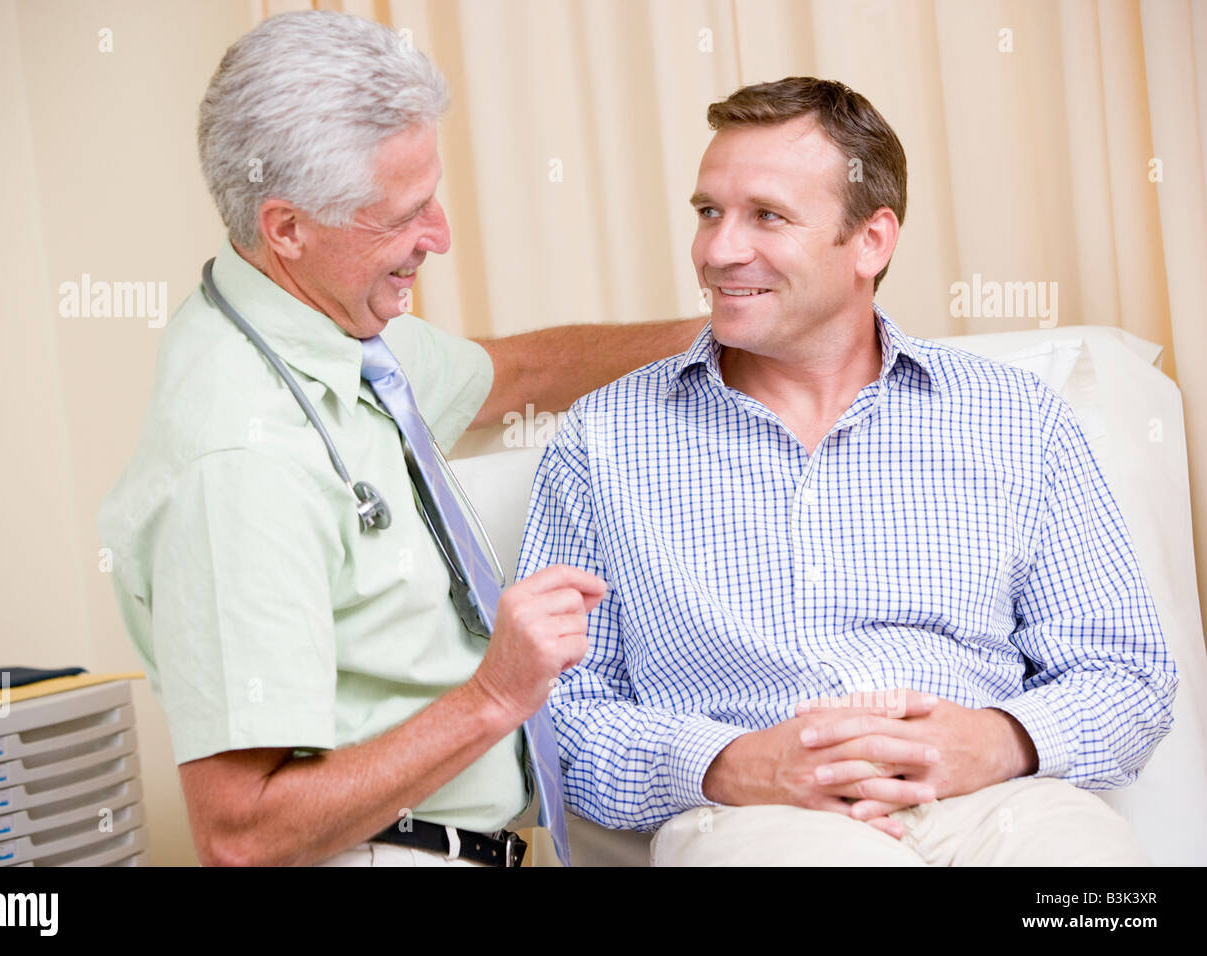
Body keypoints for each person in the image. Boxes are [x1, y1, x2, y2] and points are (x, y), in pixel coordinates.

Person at [515, 76, 1177, 865]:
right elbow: (554, 713)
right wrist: (729, 764)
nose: (719, 250)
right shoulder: (602, 442)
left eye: (766, 215)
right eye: (708, 212)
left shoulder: (1017, 419)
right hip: (759, 819)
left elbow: (1126, 671)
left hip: (1005, 808)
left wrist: (998, 741)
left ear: (872, 240)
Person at [96, 10, 702, 867]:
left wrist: (734, 333)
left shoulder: (333, 334)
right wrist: (496, 695)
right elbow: (241, 833)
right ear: (288, 227)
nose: (441, 238)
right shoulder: (240, 461)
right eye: (405, 214)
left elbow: (523, 374)